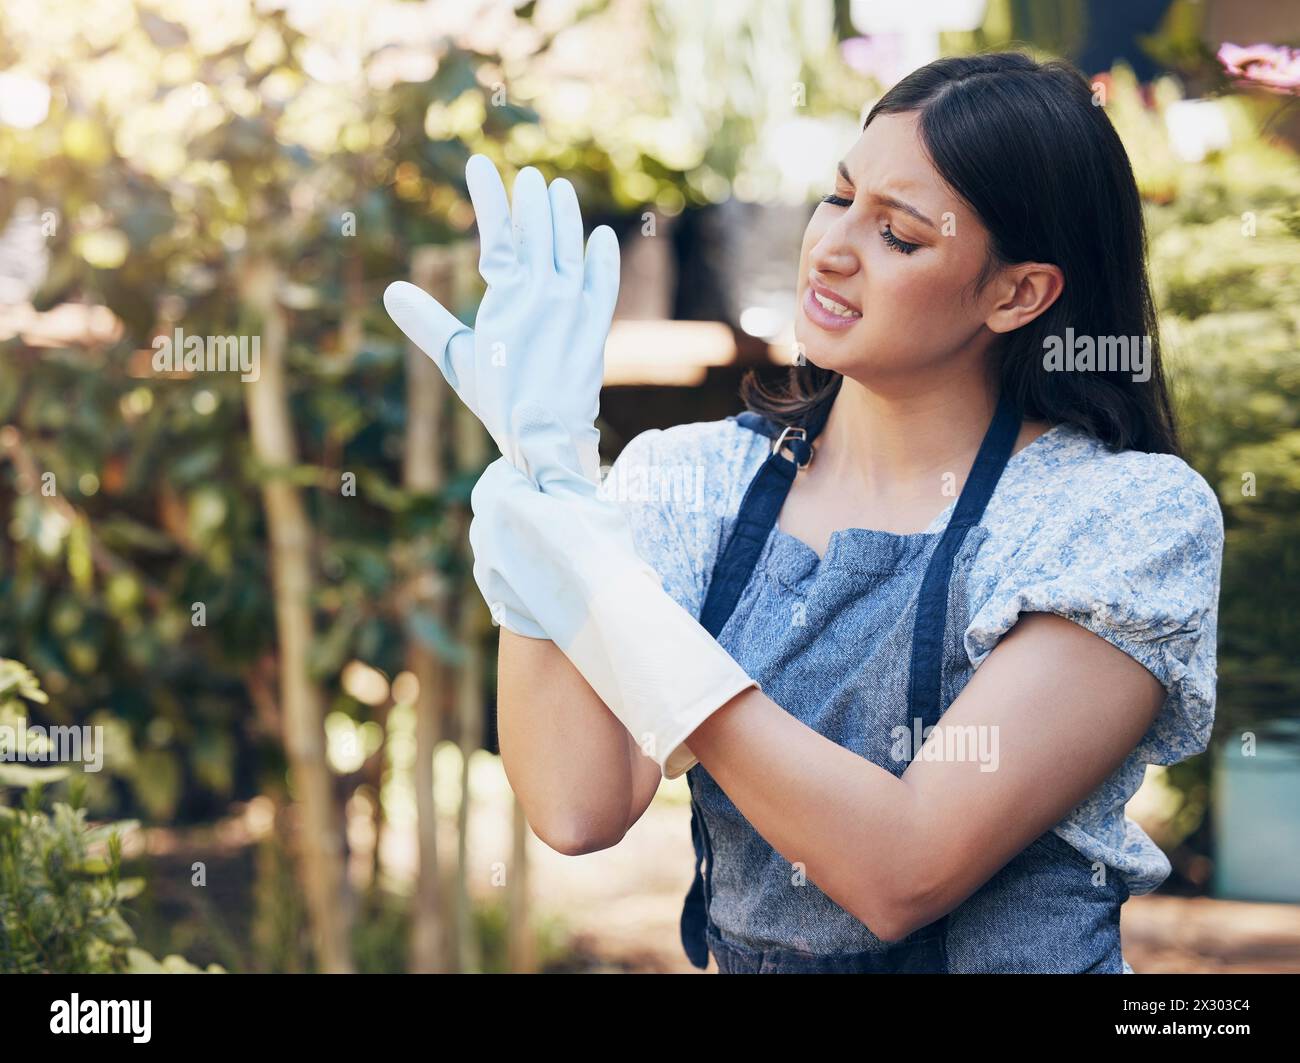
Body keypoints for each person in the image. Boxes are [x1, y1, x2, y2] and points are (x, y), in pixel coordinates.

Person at [386, 51, 1224, 974]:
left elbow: (902, 868)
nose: (830, 249)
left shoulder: (1117, 520)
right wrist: (542, 487)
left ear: (1016, 292)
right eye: (838, 197)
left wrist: (615, 600)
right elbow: (578, 806)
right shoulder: (693, 480)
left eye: (900, 235)